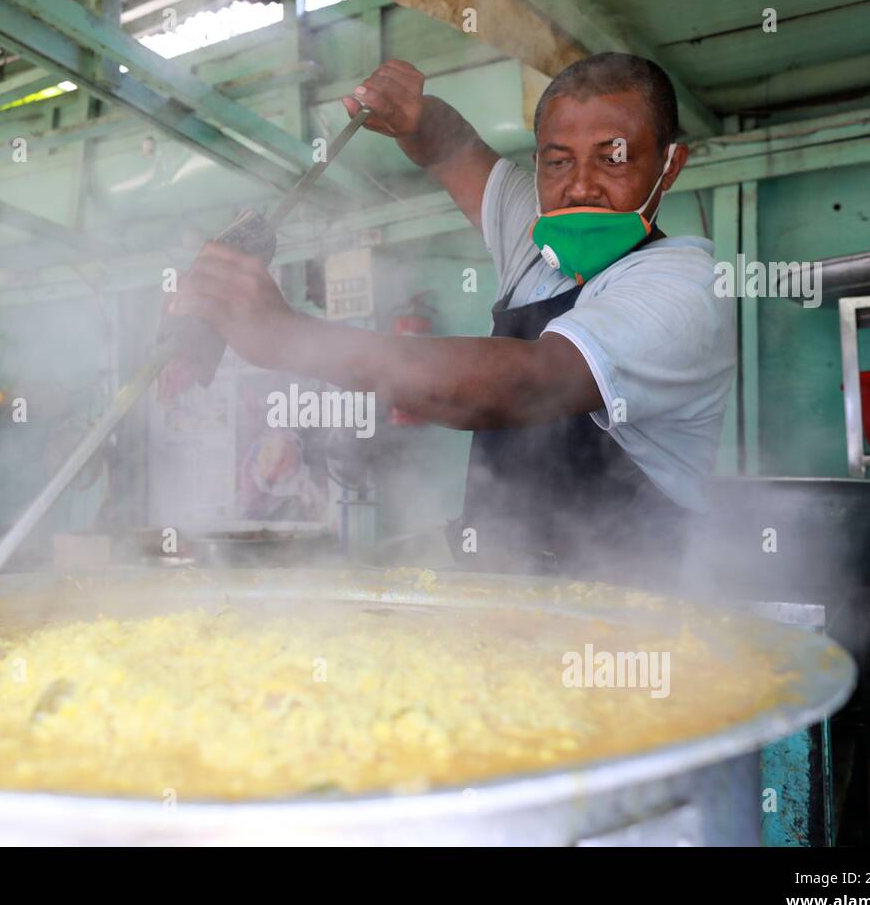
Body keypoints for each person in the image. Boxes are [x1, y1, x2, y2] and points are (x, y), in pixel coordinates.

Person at [172, 53, 735, 585]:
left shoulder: (684, 289)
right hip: (505, 598)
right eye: (558, 161)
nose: (580, 185)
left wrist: (292, 338)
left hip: (627, 624)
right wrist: (413, 114)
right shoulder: (540, 242)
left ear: (669, 165)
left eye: (613, 158)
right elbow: (450, 149)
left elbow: (527, 383)